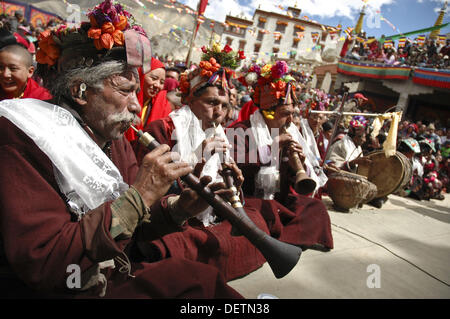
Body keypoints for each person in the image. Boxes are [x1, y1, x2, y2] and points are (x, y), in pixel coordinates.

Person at [0, 1, 242, 299]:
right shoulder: (22, 135)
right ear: (80, 91)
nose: (136, 105)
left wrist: (179, 208)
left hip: (110, 273)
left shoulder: (112, 138)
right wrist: (139, 195)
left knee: (198, 278)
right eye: (126, 91)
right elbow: (46, 262)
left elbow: (133, 233)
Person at [132, 46, 273, 281]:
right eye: (211, 102)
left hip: (209, 215)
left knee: (258, 217)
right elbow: (148, 189)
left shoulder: (220, 132)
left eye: (224, 105)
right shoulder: (162, 128)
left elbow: (220, 186)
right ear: (190, 99)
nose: (219, 112)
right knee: (178, 242)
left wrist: (235, 187)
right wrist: (200, 155)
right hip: (174, 216)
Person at [229, 61, 334, 252]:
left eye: (293, 114)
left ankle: (277, 238)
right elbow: (234, 166)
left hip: (278, 201)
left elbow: (295, 185)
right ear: (268, 113)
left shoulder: (289, 133)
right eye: (286, 114)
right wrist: (272, 148)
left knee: (315, 209)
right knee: (260, 215)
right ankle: (282, 238)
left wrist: (299, 166)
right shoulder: (240, 130)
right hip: (251, 199)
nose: (291, 120)